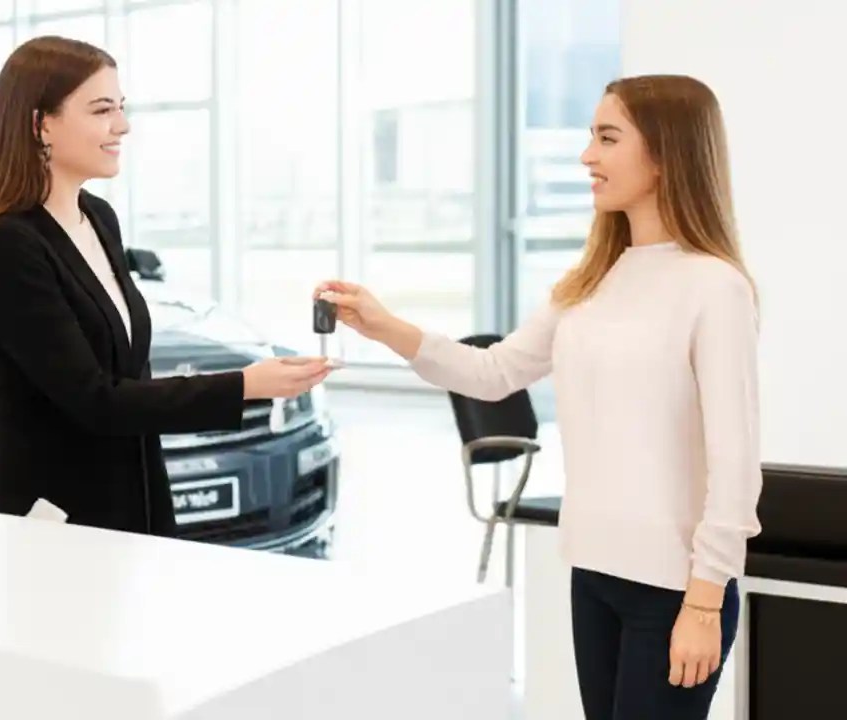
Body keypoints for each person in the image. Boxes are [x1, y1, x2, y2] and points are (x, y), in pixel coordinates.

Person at [316, 74, 760, 720]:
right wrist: (385, 326)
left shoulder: (715, 288)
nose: (588, 157)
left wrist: (704, 598)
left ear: (666, 154)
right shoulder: (591, 282)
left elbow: (735, 461)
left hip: (674, 589)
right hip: (595, 573)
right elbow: (493, 373)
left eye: (607, 138)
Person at [0, 36, 333, 536]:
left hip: (135, 502)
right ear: (40, 123)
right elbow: (94, 399)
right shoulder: (7, 246)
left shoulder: (98, 218)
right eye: (100, 110)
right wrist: (247, 384)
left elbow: (128, 371)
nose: (122, 125)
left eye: (121, 107)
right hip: (54, 519)